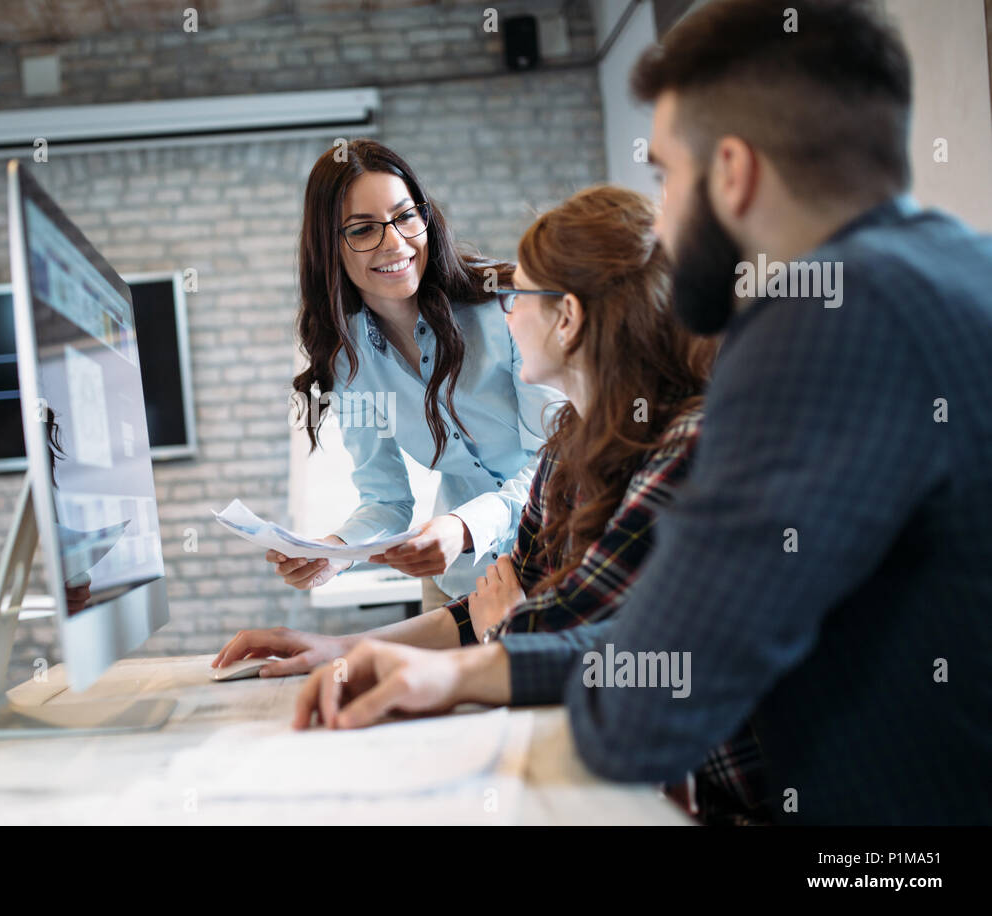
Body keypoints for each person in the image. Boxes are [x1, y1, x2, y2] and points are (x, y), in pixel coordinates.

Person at [288, 0, 992, 825]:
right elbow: (677, 646)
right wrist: (459, 661)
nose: (658, 221)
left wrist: (497, 641)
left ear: (732, 171)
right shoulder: (959, 273)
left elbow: (647, 705)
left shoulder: (808, 338)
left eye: (664, 175)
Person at [216, 187, 763, 822]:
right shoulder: (567, 449)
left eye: (520, 296)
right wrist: (342, 648)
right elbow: (511, 609)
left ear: (568, 320)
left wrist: (504, 628)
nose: (506, 312)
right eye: (363, 228)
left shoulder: (689, 449)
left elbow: (570, 633)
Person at [275, 139, 562, 612]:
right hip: (461, 584)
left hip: (558, 564)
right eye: (364, 229)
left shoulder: (506, 306)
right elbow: (385, 500)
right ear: (330, 247)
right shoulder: (349, 358)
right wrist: (336, 552)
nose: (395, 243)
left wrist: (464, 527)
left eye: (406, 216)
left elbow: (553, 465)